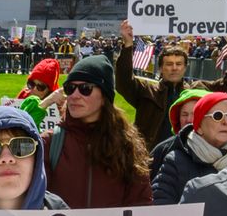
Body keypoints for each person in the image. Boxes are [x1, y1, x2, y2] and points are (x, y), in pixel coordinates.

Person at [44, 56, 153, 208]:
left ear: (104, 97)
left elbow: (140, 205)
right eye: (70, 88)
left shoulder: (127, 144)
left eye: (85, 89)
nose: (74, 96)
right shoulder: (49, 142)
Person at [112, 25, 200, 151]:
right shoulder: (147, 90)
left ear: (185, 68)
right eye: (169, 64)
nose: (174, 68)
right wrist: (127, 45)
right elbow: (124, 81)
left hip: (186, 156)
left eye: (179, 64)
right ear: (160, 68)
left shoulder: (195, 92)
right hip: (149, 158)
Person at [151, 91, 227, 205]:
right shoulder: (175, 161)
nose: (226, 122)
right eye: (218, 115)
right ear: (199, 127)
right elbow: (160, 205)